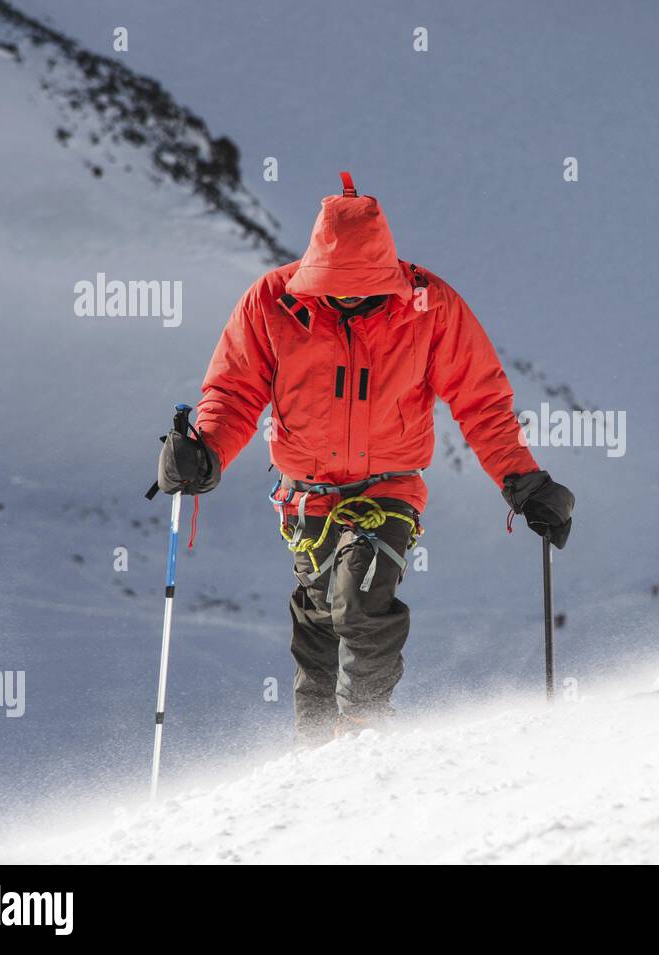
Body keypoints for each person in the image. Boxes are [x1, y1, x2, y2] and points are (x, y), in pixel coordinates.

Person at [156, 172, 574, 744]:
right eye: (336, 286)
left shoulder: (430, 305)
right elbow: (233, 392)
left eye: (362, 285)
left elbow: (481, 401)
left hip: (390, 486)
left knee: (359, 598)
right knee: (319, 621)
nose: (349, 297)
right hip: (305, 493)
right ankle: (316, 750)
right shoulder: (272, 302)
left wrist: (524, 480)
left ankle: (365, 731)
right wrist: (203, 452)